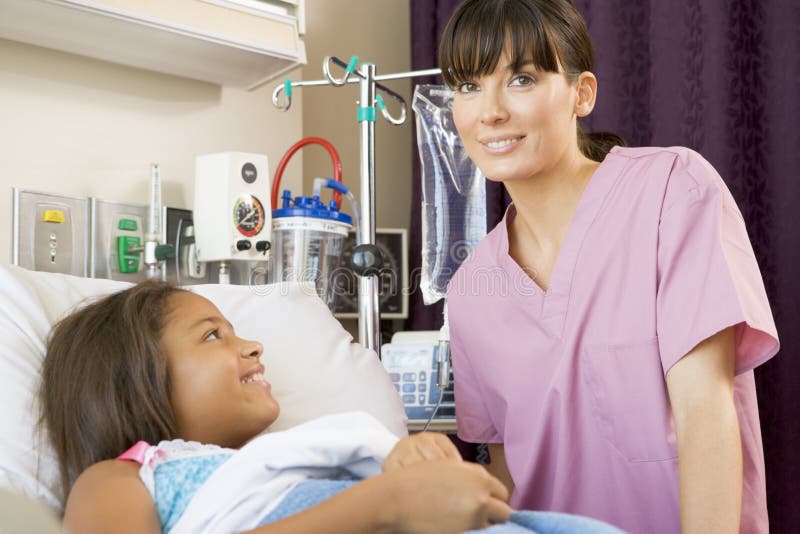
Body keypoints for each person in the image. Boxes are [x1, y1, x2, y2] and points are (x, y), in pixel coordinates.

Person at [439, 1, 779, 533]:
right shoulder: (470, 293)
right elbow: (509, 480)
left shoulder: (672, 192)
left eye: (522, 78)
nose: (490, 112)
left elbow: (705, 413)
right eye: (467, 86)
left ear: (582, 93)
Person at [39, 281, 624, 534]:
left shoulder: (278, 460)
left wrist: (404, 464)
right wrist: (388, 503)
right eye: (212, 336)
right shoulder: (124, 477)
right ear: (136, 379)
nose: (252, 345)